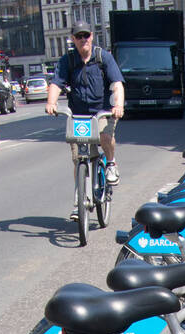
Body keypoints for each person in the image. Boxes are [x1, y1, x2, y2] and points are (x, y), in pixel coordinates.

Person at [46, 20, 125, 214]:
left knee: (106, 137)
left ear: (92, 36)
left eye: (86, 35)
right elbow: (57, 83)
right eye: (79, 36)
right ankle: (79, 200)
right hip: (78, 115)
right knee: (78, 158)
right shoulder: (68, 61)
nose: (83, 40)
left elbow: (117, 84)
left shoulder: (103, 58)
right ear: (73, 39)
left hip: (102, 112)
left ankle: (111, 164)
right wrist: (51, 103)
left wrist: (118, 105)